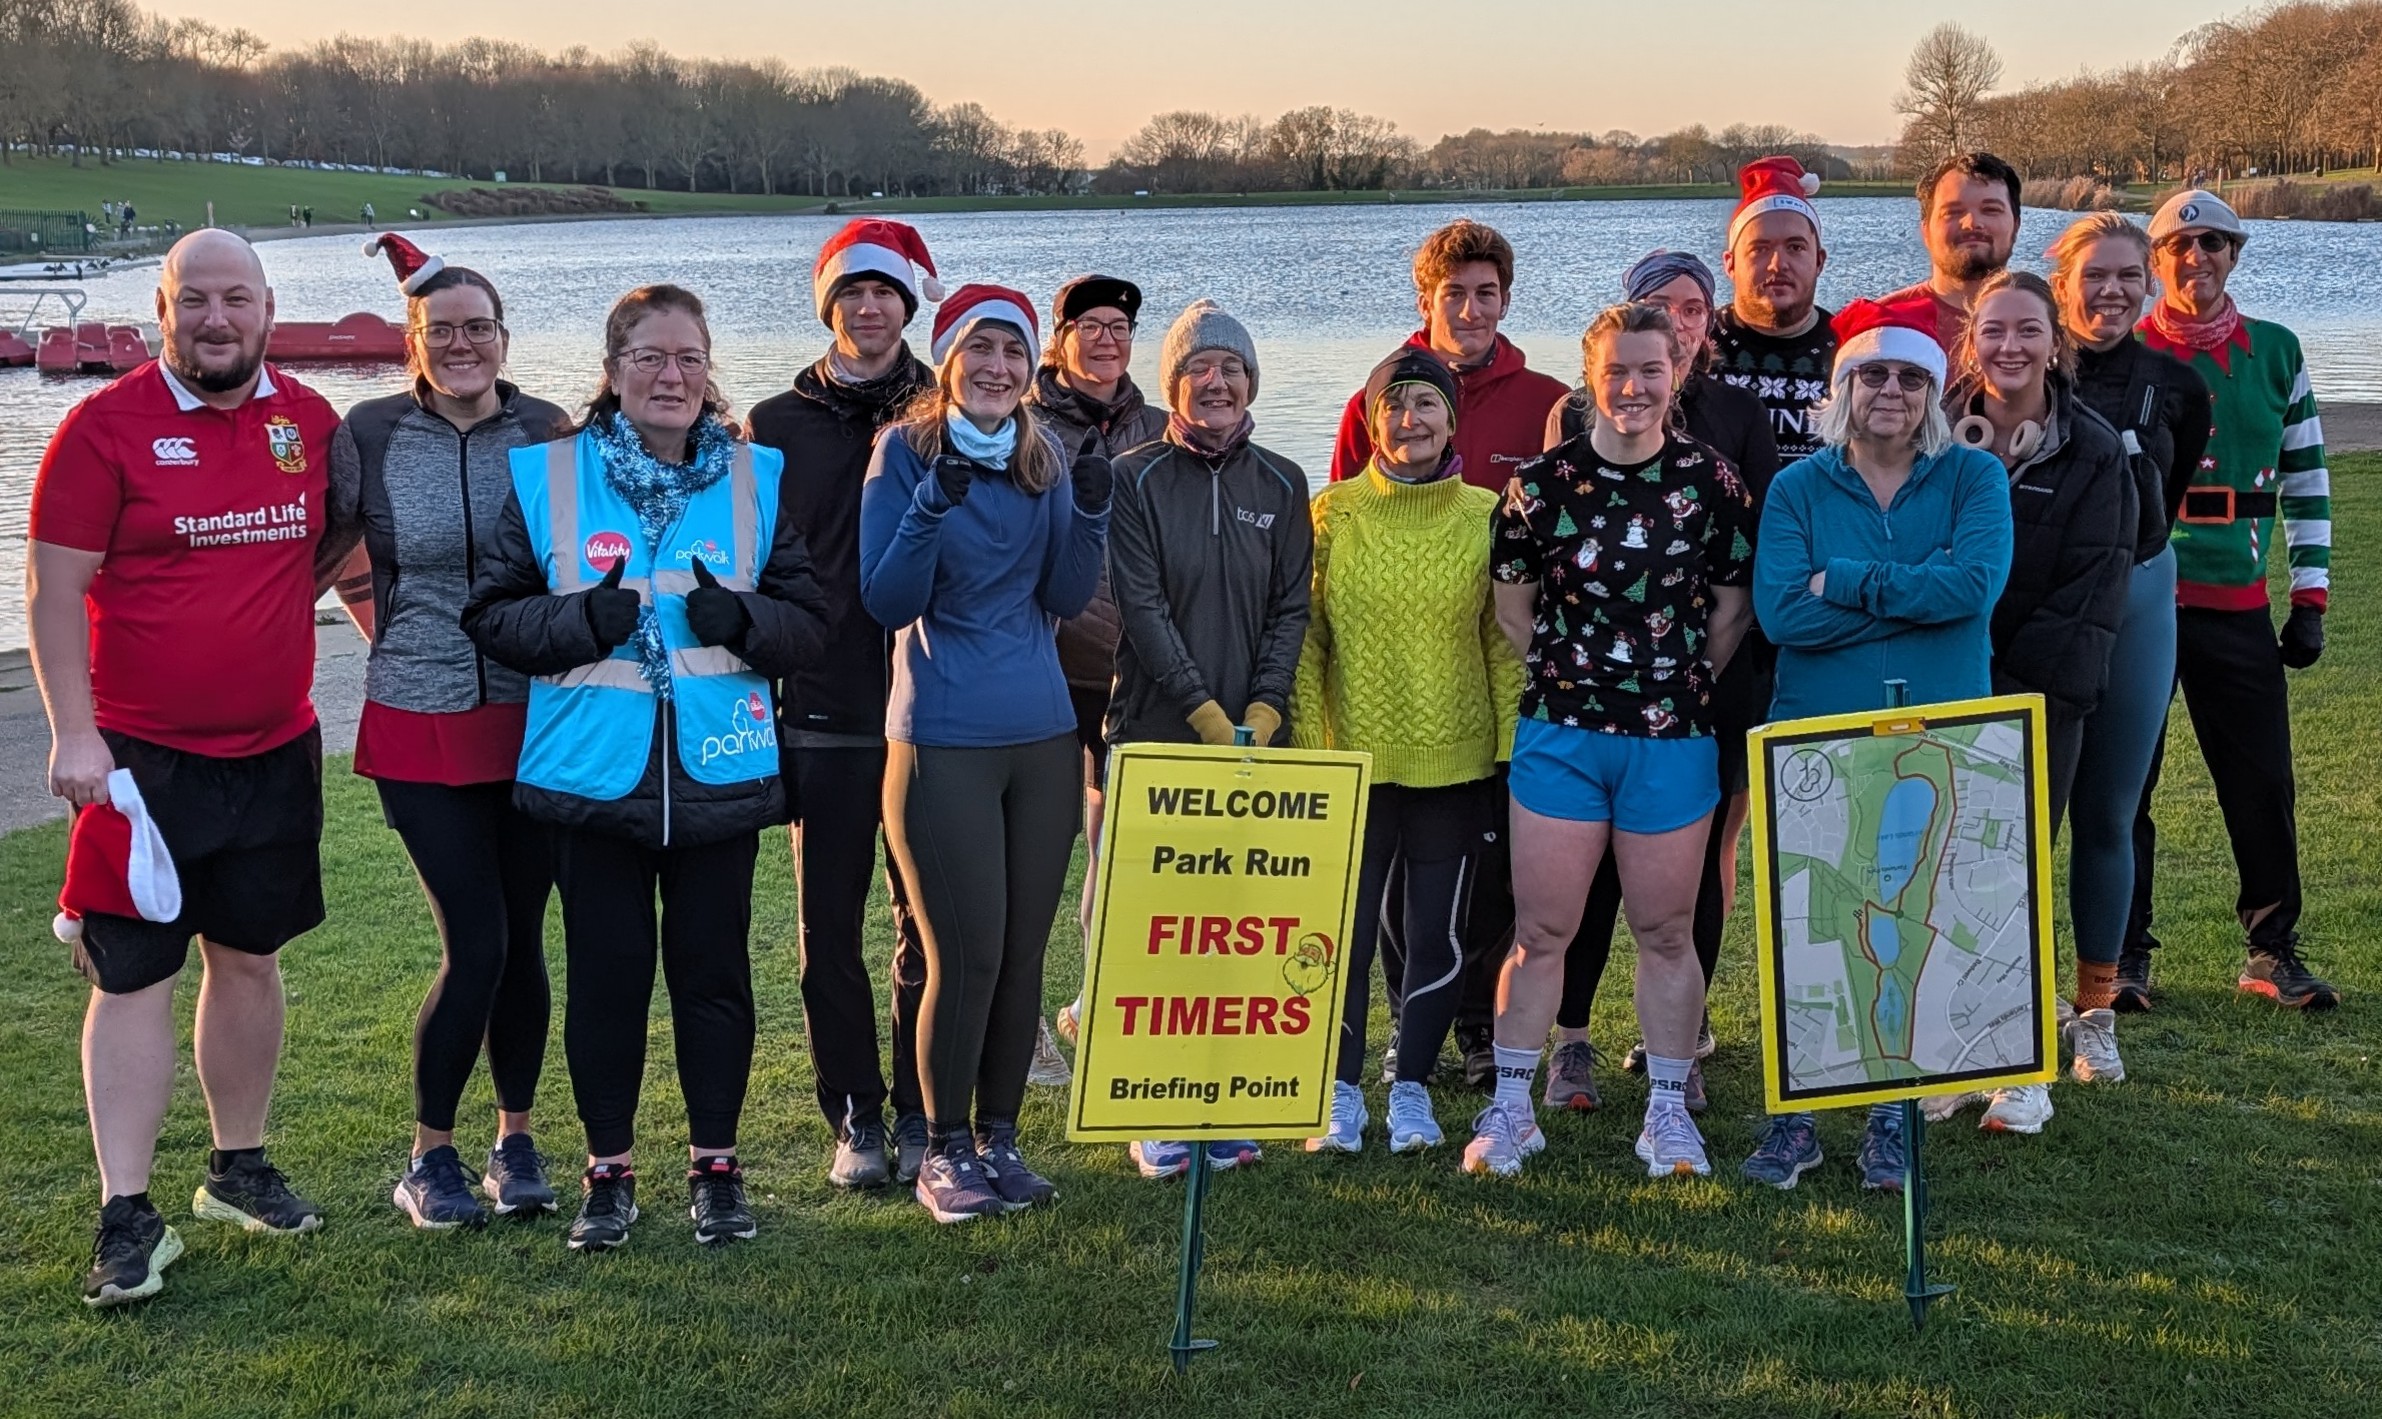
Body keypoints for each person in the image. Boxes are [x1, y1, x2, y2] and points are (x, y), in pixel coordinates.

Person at [462, 284, 828, 1252]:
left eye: (690, 359)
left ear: (710, 372)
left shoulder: (758, 477)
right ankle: (608, 1174)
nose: (672, 377)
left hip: (720, 767)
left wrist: (743, 620)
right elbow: (493, 617)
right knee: (608, 981)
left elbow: (812, 624)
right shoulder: (546, 475)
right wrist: (579, 620)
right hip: (592, 777)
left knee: (714, 980)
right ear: (613, 369)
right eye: (650, 358)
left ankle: (717, 1169)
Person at [30, 230, 355, 1306]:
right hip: (141, 766)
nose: (217, 319)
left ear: (268, 307)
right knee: (133, 977)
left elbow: (343, 564)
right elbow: (53, 595)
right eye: (195, 301)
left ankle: (238, 1167)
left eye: (237, 299)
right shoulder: (101, 427)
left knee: (251, 959)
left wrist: (405, 663)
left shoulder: (307, 423)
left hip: (275, 749)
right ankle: (127, 1212)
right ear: (160, 310)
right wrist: (74, 735)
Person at [1470, 301, 1755, 1181]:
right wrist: (1581, 677)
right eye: (1616, 372)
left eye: (1651, 370)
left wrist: (1661, 684)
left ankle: (1668, 1113)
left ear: (1677, 373)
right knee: (1543, 929)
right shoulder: (1541, 485)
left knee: (1667, 929)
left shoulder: (1714, 483)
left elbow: (1730, 610)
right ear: (1591, 378)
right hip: (1561, 731)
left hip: (1672, 736)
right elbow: (1514, 610)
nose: (1633, 387)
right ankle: (1512, 1108)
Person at [1740, 295, 2012, 1188]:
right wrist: (1909, 597)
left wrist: (1846, 581)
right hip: (1820, 736)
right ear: (1842, 387)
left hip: (1932, 738)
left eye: (1908, 376)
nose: (1888, 391)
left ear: (1932, 391)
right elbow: (1782, 612)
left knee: (1906, 924)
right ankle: (1801, 1115)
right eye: (1870, 374)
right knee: (1812, 924)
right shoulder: (1797, 487)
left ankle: (1895, 1111)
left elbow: (1971, 590)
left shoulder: (1973, 479)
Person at [329, 233, 571, 1229]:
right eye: (442, 331)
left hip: (535, 716)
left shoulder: (548, 430)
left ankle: (514, 1140)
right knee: (475, 940)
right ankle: (430, 1155)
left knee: (526, 946)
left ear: (504, 338)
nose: (461, 344)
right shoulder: (372, 431)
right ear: (414, 343)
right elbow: (323, 554)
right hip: (419, 717)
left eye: (478, 328)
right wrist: (390, 640)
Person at [860, 284, 1109, 1223]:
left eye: (1014, 349)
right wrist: (928, 508)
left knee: (1022, 956)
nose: (999, 367)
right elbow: (886, 601)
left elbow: (1067, 591)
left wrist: (1087, 515)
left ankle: (1001, 1141)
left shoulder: (1042, 456)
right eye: (981, 349)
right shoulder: (904, 452)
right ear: (950, 361)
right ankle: (943, 1147)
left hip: (1042, 735)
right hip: (942, 739)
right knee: (961, 953)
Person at [1329, 219, 1567, 1089]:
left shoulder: (1543, 395)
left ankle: (1465, 1036)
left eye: (1486, 293)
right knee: (1381, 906)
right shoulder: (1372, 401)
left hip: (1476, 715)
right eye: (1453, 293)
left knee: (1480, 888)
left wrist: (1520, 725)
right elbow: (1343, 550)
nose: (1470, 309)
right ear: (1425, 300)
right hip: (1373, 726)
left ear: (1505, 299)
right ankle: (1384, 1053)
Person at [1541, 249, 1779, 1112]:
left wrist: (1687, 677)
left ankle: (1676, 1038)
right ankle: (1572, 1040)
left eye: (1692, 308)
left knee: (1692, 865)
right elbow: (1547, 568)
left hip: (1705, 687)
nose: (1679, 322)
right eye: (1661, 306)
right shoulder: (1576, 413)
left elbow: (1743, 571)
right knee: (1590, 866)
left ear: (1706, 323)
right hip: (1591, 693)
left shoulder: (1737, 417)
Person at [744, 220, 939, 1189]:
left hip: (933, 707)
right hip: (821, 705)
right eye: (852, 293)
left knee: (925, 924)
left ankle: (918, 1104)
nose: (869, 308)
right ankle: (855, 1113)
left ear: (908, 304)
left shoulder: (954, 408)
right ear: (830, 305)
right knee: (829, 926)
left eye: (885, 293)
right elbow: (746, 565)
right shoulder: (775, 424)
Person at [1294, 350, 1521, 1154]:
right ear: (1371, 419)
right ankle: (1342, 1088)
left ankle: (1415, 1086)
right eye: (1394, 405)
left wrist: (1505, 752)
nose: (1410, 420)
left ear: (1452, 420)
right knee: (1343, 935)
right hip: (1351, 763)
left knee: (1438, 934)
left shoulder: (1487, 513)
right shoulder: (1333, 515)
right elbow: (1307, 643)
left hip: (1453, 764)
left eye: (1427, 404)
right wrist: (1306, 751)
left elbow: (1502, 645)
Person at [1924, 269, 2133, 1135]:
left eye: (2028, 331)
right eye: (1993, 330)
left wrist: (2002, 683)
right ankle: (1950, 1057)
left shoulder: (2094, 449)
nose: (2009, 347)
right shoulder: (1935, 431)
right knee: (1940, 876)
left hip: (2040, 693)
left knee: (2009, 877)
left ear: (2057, 341)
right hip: (1944, 681)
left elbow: (2095, 583)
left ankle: (2022, 1073)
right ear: (1972, 338)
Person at [1108, 299, 1312, 1179]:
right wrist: (1198, 710)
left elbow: (1291, 606)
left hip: (1257, 742)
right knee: (1154, 931)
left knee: (1235, 928)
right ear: (1175, 385)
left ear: (1251, 381)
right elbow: (1142, 606)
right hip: (1161, 732)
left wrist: (1264, 707)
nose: (1217, 382)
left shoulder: (1283, 481)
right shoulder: (1136, 477)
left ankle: (1222, 1105)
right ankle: (1151, 1108)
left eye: (1231, 368)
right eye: (1199, 370)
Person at [2131, 190, 2339, 1010]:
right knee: (2125, 790)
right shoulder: (2124, 352)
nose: (2197, 258)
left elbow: (2310, 481)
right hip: (2143, 600)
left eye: (2213, 243)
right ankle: (2122, 953)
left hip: (2239, 601)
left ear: (2235, 253)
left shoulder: (2279, 352)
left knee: (2261, 783)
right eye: (2179, 246)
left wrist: (2311, 595)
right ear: (2157, 261)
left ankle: (2271, 948)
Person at [2046, 212, 2210, 1027]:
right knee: (2020, 820)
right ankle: (2004, 1003)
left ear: (2147, 282)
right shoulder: (2015, 372)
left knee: (2109, 811)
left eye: (2125, 275)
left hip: (2140, 593)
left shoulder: (2177, 384)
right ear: (2062, 284)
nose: (2109, 290)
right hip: (2040, 611)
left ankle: (2096, 1008)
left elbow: (2161, 506)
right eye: (2093, 276)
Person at [1027, 273, 1169, 1080]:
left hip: (1139, 674)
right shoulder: (1026, 424)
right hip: (1048, 672)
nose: (1107, 339)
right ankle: (1025, 1029)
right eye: (1090, 325)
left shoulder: (1157, 424)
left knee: (1115, 847)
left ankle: (1097, 1001)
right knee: (1036, 856)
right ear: (1061, 338)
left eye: (1119, 326)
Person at [1713, 156, 1839, 464]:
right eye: (1760, 249)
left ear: (1819, 261)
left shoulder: (1851, 348)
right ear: (1730, 263)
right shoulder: (1695, 348)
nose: (1777, 264)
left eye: (1795, 247)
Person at [1881, 151, 2023, 355]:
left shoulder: (2049, 323)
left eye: (1991, 209)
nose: (1972, 223)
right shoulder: (1883, 325)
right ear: (1925, 231)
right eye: (1953, 212)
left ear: (2016, 226)